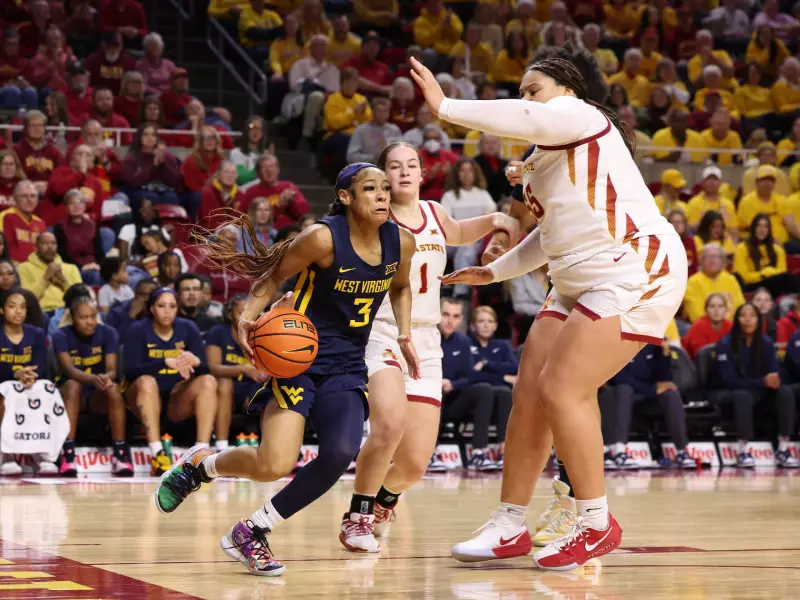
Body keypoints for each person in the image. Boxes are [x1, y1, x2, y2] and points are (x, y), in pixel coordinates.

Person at [409, 44, 689, 569]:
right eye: (521, 91)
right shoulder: (539, 161)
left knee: (563, 388)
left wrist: (446, 107)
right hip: (574, 277)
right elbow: (546, 238)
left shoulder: (582, 118)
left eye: (532, 88)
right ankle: (509, 523)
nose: (524, 98)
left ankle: (594, 521)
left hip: (633, 264)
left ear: (568, 92)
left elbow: (528, 117)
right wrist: (493, 271)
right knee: (531, 395)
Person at [153, 162, 419, 577]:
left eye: (386, 188)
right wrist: (247, 318)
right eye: (371, 188)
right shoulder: (322, 238)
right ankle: (200, 464)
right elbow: (272, 275)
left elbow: (400, 286)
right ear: (346, 197)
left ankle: (252, 530)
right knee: (273, 464)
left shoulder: (401, 241)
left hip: (346, 365)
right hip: (299, 359)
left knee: (339, 453)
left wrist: (404, 332)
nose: (383, 195)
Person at [339, 142, 520, 552]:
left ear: (423, 174)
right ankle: (357, 516)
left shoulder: (436, 213)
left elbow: (458, 232)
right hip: (381, 332)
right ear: (383, 177)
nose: (404, 173)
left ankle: (386, 499)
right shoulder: (371, 218)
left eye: (412, 165)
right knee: (387, 426)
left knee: (415, 463)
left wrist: (497, 218)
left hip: (426, 338)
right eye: (395, 167)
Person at [123, 287, 217, 476]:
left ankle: (200, 455)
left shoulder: (188, 328)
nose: (167, 311)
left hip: (176, 397)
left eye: (172, 306)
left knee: (208, 381)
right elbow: (129, 371)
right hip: (142, 397)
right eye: (161, 306)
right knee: (147, 382)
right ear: (151, 308)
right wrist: (164, 363)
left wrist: (197, 362)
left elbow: (204, 369)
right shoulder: (138, 329)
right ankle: (158, 454)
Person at [52, 295, 132, 477]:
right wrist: (93, 378)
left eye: (92, 316)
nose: (89, 322)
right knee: (73, 385)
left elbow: (112, 369)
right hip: (72, 395)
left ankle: (120, 452)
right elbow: (69, 370)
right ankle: (68, 453)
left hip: (97, 393)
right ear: (73, 318)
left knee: (113, 387)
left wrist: (104, 378)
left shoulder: (109, 332)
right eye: (83, 317)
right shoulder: (60, 335)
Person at [711, 303, 798, 468]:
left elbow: (773, 373)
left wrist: (774, 380)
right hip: (726, 393)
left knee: (785, 392)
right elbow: (728, 380)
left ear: (759, 320)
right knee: (743, 396)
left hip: (757, 393)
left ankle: (783, 448)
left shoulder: (765, 342)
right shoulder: (726, 344)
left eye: (752, 316)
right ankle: (743, 450)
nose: (748, 320)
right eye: (743, 315)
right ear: (736, 320)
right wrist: (762, 382)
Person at [602, 342, 696, 470]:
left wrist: (665, 355)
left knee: (670, 394)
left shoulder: (653, 345)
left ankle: (682, 451)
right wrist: (652, 390)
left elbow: (664, 379)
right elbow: (619, 378)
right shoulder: (619, 343)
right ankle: (618, 450)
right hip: (620, 397)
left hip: (646, 397)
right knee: (624, 389)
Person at [205, 294, 268, 451]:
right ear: (229, 313)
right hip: (228, 389)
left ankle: (275, 447)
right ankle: (221, 446)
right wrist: (243, 369)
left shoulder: (264, 335)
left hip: (253, 386)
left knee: (274, 388)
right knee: (224, 384)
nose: (246, 318)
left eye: (251, 313)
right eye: (241, 313)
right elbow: (212, 368)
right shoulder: (218, 332)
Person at [0, 288, 52, 475]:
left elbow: (39, 366)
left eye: (22, 307)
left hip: (27, 384)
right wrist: (16, 374)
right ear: (2, 310)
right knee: (7, 391)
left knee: (44, 388)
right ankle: (6, 454)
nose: (18, 311)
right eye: (12, 306)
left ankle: (39, 452)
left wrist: (30, 377)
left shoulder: (36, 334)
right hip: (3, 386)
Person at [734, 213, 798, 297]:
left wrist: (769, 272)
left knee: (789, 277)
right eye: (759, 226)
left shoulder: (778, 250)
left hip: (774, 284)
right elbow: (742, 277)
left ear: (769, 230)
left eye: (766, 227)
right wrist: (762, 274)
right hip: (752, 286)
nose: (762, 230)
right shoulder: (742, 248)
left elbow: (782, 273)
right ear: (753, 228)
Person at [18, 232, 83, 314]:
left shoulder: (71, 268)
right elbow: (26, 300)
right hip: (41, 313)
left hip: (67, 312)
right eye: (44, 243)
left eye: (53, 243)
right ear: (36, 247)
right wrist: (45, 278)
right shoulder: (23, 268)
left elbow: (81, 299)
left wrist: (63, 281)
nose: (50, 247)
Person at [683, 243, 745, 323]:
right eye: (708, 257)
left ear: (723, 262)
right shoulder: (693, 282)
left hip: (732, 329)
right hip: (704, 329)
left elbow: (740, 308)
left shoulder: (731, 280)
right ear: (701, 261)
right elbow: (697, 316)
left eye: (716, 257)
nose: (712, 260)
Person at [0, 180, 47, 263]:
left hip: (36, 268)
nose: (29, 200)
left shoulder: (40, 223)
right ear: (15, 199)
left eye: (33, 196)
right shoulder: (5, 217)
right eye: (24, 196)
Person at [681, 293, 732, 359]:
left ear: (726, 310)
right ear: (706, 310)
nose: (716, 310)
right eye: (712, 306)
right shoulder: (698, 326)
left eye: (721, 306)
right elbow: (702, 357)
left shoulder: (730, 326)